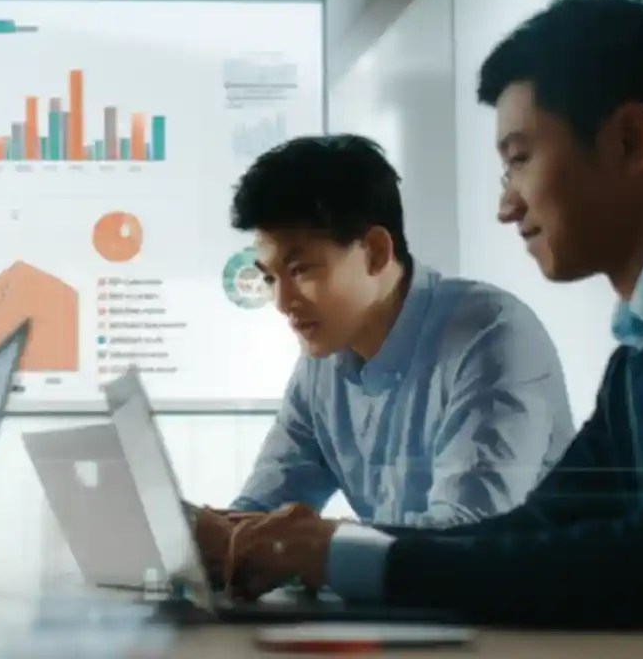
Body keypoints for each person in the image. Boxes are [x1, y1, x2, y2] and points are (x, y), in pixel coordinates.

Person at [220, 0, 643, 637]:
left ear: (627, 138)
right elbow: (537, 530)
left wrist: (336, 551)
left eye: (519, 161)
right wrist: (298, 545)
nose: (506, 206)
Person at [194, 134, 574, 581]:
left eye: (300, 271)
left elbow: (470, 536)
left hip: (517, 626)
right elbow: (260, 514)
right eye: (271, 278)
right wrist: (210, 538)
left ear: (375, 251)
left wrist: (319, 545)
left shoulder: (490, 338)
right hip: (410, 617)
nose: (283, 302)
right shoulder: (325, 359)